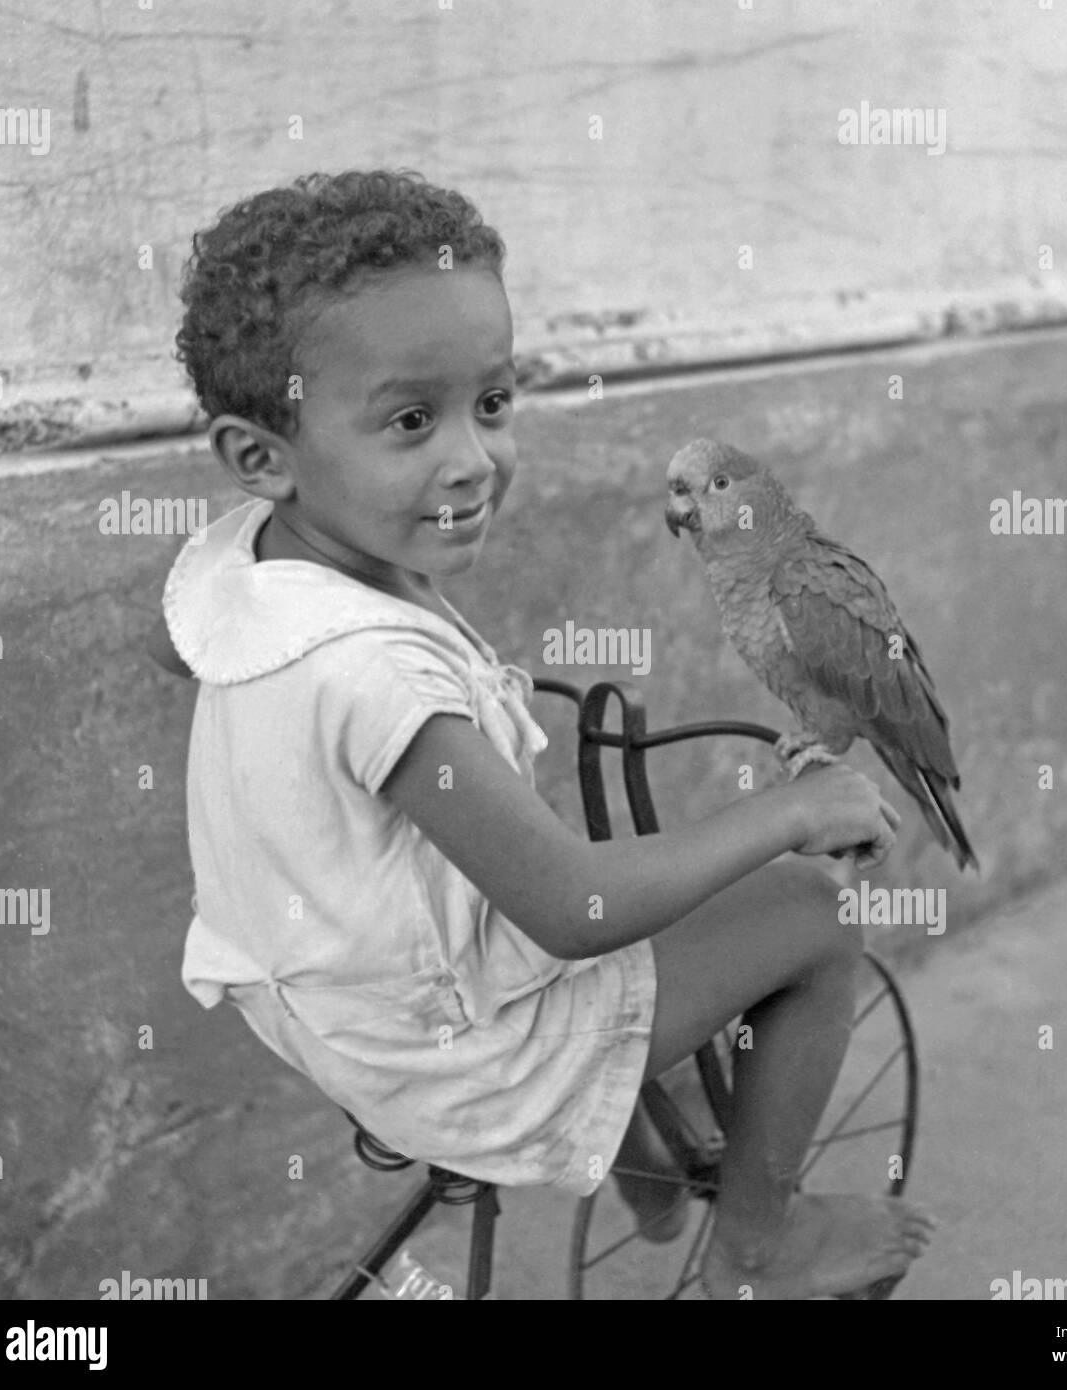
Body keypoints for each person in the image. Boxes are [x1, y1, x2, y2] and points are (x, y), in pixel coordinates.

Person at [149, 169, 934, 1298]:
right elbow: (574, 910)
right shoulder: (376, 676)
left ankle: (646, 1153)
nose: (473, 457)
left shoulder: (255, 556)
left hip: (327, 1008)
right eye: (413, 420)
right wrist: (793, 811)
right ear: (263, 454)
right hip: (453, 1059)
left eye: (495, 403)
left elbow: (172, 639)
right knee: (808, 915)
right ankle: (762, 1244)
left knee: (528, 864)